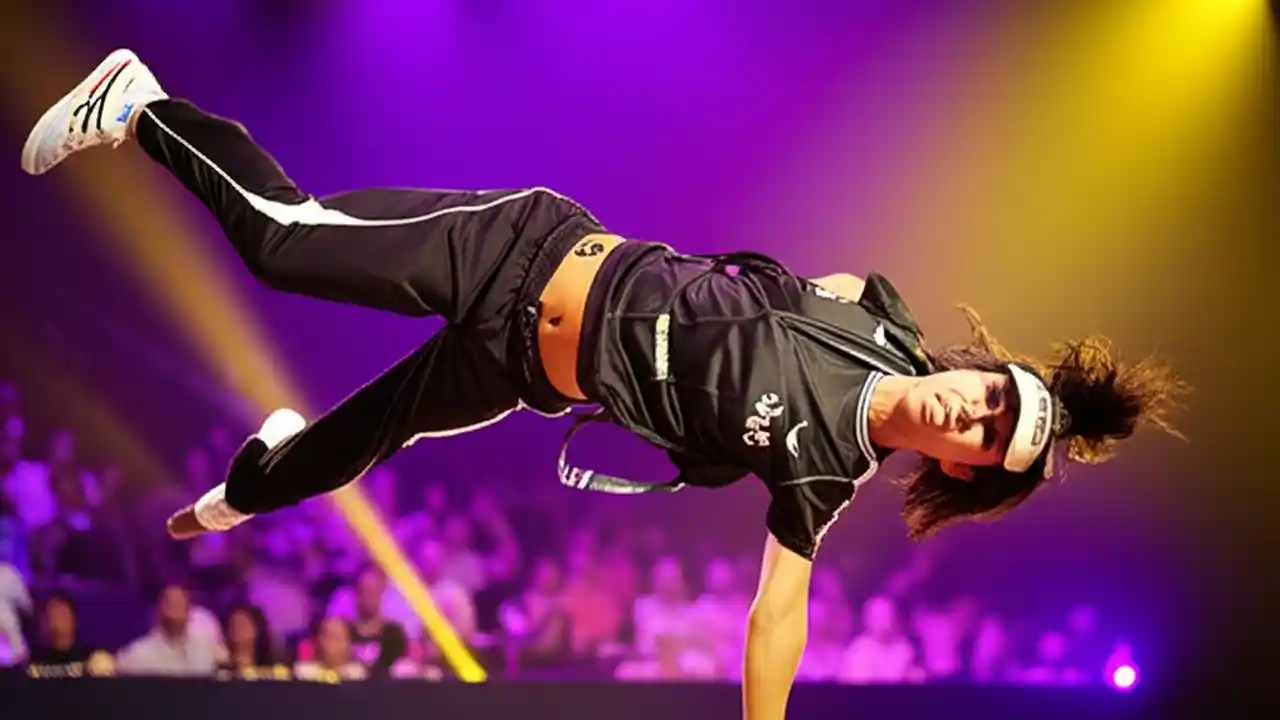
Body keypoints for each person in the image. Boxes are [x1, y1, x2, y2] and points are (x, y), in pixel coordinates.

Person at [24, 49, 1187, 718]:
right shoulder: (873, 312)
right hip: (523, 251)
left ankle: (244, 486)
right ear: (977, 378)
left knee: (346, 451)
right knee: (284, 242)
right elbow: (767, 285)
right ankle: (139, 104)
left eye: (983, 439)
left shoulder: (822, 475)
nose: (968, 414)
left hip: (519, 367)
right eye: (989, 397)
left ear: (958, 467)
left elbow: (775, 610)